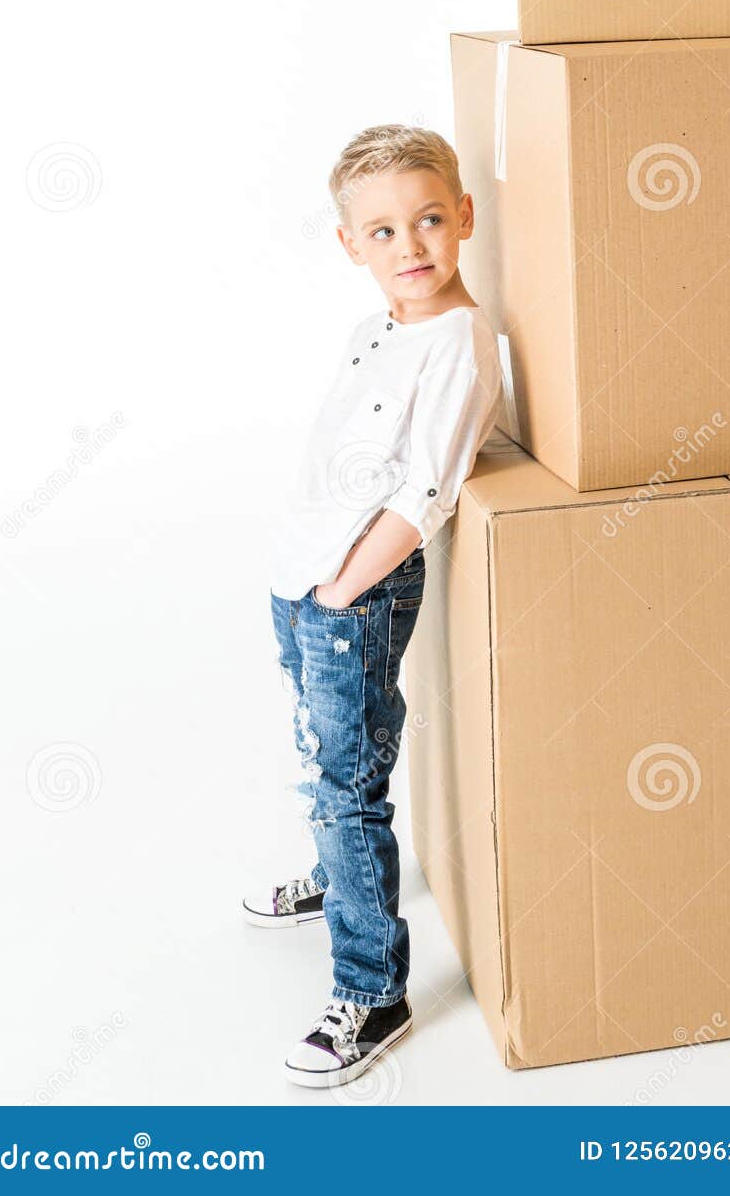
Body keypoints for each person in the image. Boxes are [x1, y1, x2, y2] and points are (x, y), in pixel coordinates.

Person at [246, 124, 502, 1088]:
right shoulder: (378, 329)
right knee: (323, 754)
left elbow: (424, 491)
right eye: (385, 232)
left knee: (349, 781)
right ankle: (337, 874)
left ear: (465, 217)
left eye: (431, 220)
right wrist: (301, 580)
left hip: (352, 590)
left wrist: (343, 590)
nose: (413, 248)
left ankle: (371, 986)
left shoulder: (460, 344)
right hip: (304, 574)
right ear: (351, 244)